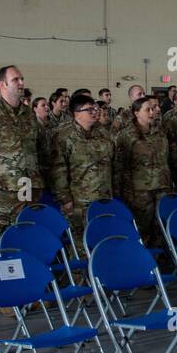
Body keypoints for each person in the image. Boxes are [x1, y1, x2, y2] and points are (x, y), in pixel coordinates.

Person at [0, 65, 51, 241]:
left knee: (30, 234)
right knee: (5, 237)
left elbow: (39, 149)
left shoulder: (29, 115)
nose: (21, 83)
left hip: (31, 187)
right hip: (5, 190)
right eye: (16, 80)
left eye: (22, 79)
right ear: (3, 85)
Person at [50, 92, 114, 246]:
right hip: (78, 200)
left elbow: (112, 162)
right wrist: (65, 199)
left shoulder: (103, 132)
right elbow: (58, 170)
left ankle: (101, 269)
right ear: (76, 113)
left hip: (104, 197)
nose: (94, 112)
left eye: (95, 108)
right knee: (80, 243)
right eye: (89, 110)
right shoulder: (63, 136)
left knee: (103, 238)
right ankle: (78, 271)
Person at [112, 96, 170, 247]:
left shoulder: (160, 132)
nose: (152, 112)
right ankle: (139, 257)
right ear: (136, 113)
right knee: (141, 227)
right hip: (138, 190)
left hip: (161, 186)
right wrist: (119, 191)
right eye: (147, 110)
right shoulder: (126, 135)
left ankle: (158, 259)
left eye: (153, 109)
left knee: (160, 226)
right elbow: (119, 166)